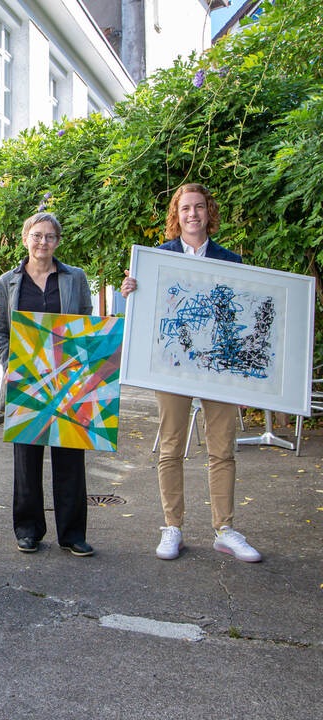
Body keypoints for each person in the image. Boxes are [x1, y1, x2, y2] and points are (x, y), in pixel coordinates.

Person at [120, 183, 261, 562]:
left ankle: (225, 530)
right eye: (185, 209)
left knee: (222, 449)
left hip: (219, 368)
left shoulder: (231, 261)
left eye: (199, 207)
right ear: (176, 215)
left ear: (208, 212)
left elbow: (244, 317)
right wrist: (131, 291)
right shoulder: (154, 259)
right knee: (170, 447)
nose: (193, 214)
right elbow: (144, 314)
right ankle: (173, 528)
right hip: (172, 366)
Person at [0, 212, 95, 557]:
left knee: (70, 458)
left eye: (50, 237)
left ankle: (72, 534)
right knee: (27, 461)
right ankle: (28, 530)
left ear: (58, 242)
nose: (43, 243)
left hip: (68, 380)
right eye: (36, 236)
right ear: (25, 239)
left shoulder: (74, 278)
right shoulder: (7, 283)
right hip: (26, 381)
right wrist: (14, 365)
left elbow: (88, 326)